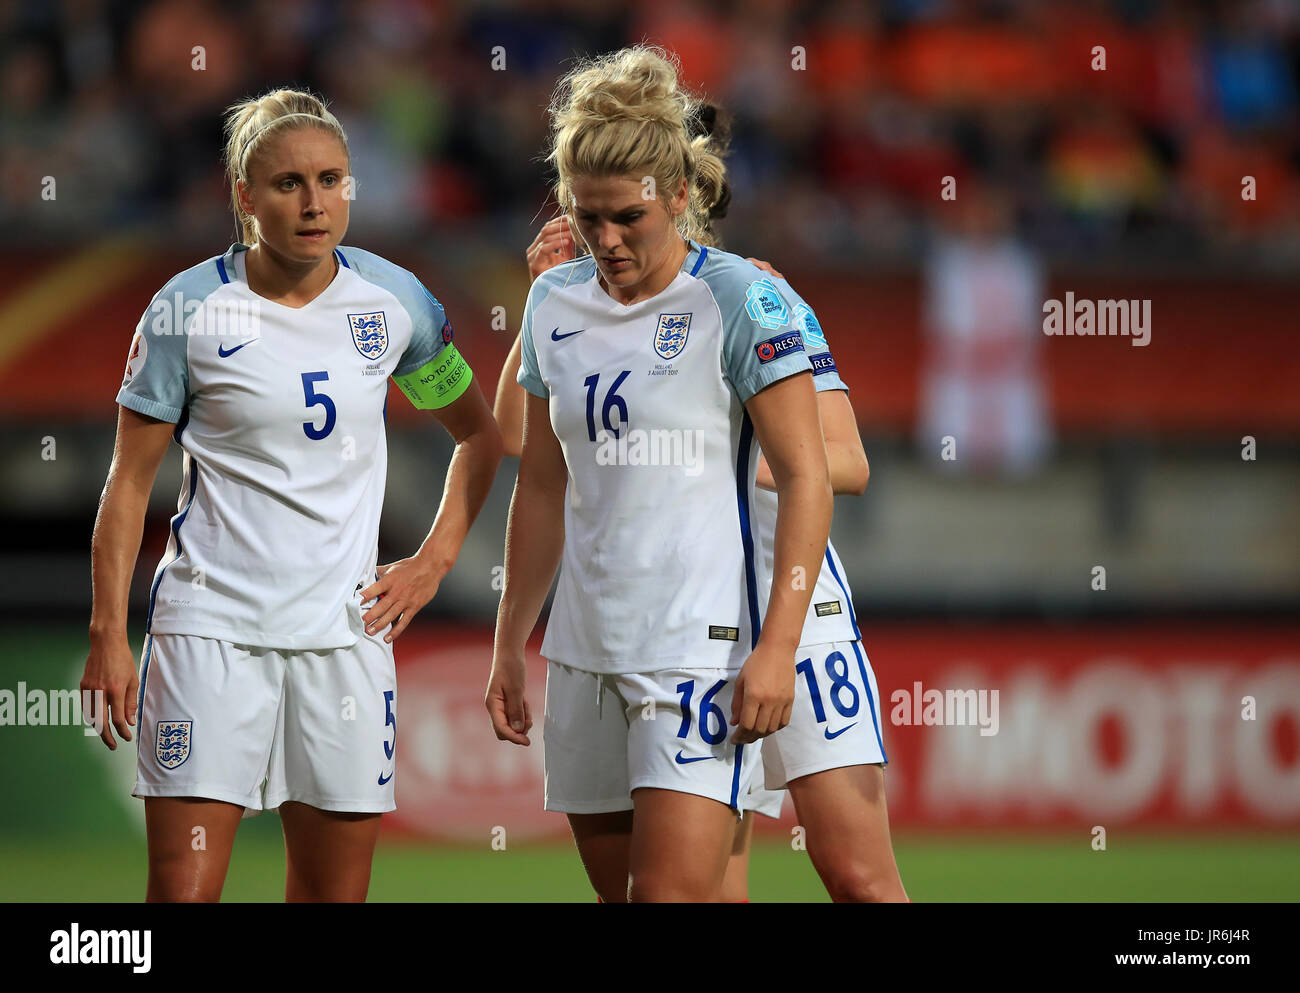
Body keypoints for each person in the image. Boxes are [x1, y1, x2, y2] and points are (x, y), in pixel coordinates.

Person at [81, 88, 503, 902]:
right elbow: (127, 485)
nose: (315, 203)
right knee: (182, 890)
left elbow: (480, 436)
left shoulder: (396, 302)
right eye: (288, 184)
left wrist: (433, 559)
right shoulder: (186, 311)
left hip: (344, 637)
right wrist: (107, 629)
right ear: (245, 196)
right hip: (211, 632)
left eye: (332, 179)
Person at [487, 45, 833, 903]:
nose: (605, 240)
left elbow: (807, 475)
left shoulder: (743, 299)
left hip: (698, 650)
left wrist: (779, 647)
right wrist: (509, 642)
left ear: (679, 195)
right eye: (587, 216)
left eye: (628, 219)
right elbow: (539, 480)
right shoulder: (553, 300)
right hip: (584, 652)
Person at [498, 220, 906, 903]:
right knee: (713, 890)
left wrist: (742, 453)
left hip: (797, 614)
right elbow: (523, 440)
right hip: (695, 621)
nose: (611, 232)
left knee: (859, 878)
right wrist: (541, 293)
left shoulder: (757, 298)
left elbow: (848, 463)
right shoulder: (590, 305)